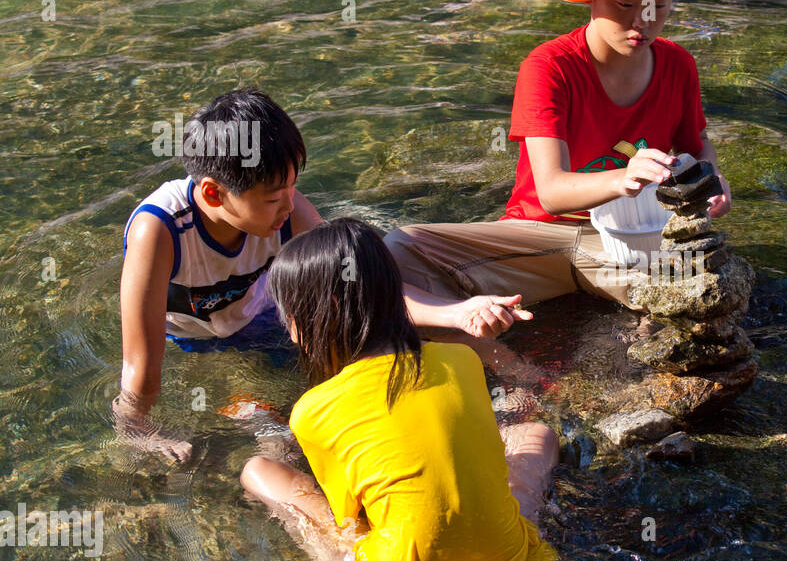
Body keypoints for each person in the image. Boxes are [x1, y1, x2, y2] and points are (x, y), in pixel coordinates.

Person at [115, 87, 520, 462]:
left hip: (269, 317)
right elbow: (141, 361)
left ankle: (523, 391)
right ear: (212, 194)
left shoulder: (284, 208)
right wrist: (139, 433)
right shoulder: (160, 231)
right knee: (277, 439)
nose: (289, 206)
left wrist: (457, 312)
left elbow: (361, 288)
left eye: (293, 187)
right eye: (275, 197)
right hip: (200, 346)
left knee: (407, 340)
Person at [384, 0, 732, 337]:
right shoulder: (549, 66)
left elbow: (697, 147)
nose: (641, 22)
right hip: (540, 237)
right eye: (625, 5)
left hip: (633, 238)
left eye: (656, 7)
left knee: (707, 294)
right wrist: (625, 176)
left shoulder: (678, 65)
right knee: (400, 248)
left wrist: (711, 178)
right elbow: (550, 192)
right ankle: (494, 357)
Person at [240, 218, 558, 561]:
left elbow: (351, 518)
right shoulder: (462, 361)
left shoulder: (312, 411)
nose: (287, 325)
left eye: (289, 313)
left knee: (258, 472)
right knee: (537, 434)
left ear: (324, 313)